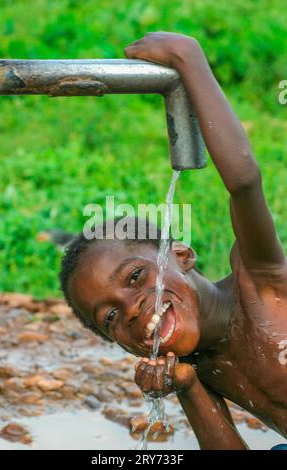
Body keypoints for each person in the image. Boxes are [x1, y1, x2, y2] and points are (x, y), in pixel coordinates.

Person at [60, 32, 287, 449]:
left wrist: (188, 59)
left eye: (134, 277)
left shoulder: (261, 283)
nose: (130, 311)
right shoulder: (194, 365)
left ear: (181, 255)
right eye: (109, 319)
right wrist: (186, 387)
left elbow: (244, 183)